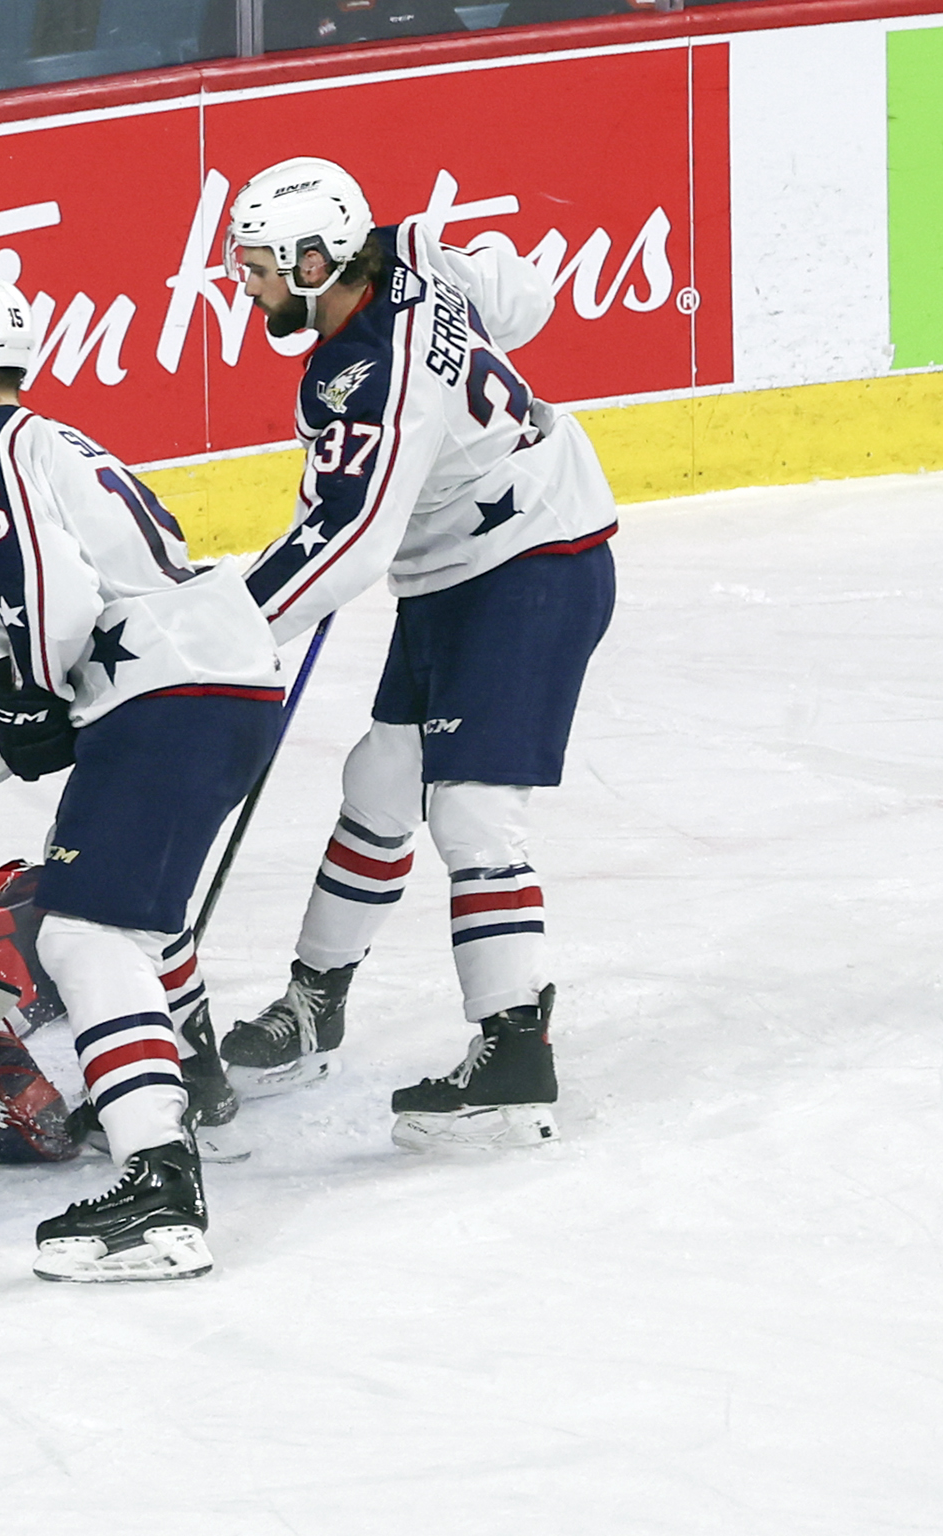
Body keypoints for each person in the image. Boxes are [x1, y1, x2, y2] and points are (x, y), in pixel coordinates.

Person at [0, 275, 285, 1283]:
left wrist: (38, 685)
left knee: (83, 929)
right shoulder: (59, 446)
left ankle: (159, 1185)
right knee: (135, 904)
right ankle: (192, 1076)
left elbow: (54, 601)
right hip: (232, 679)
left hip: (162, 692)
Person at [216, 157, 617, 1151]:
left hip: (531, 563)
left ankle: (515, 1049)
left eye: (265, 265)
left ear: (319, 259)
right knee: (381, 782)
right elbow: (524, 299)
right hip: (464, 563)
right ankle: (315, 1002)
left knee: (472, 809)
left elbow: (347, 543)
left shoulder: (369, 373)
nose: (250, 283)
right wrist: (456, 258)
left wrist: (214, 636)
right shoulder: (409, 261)